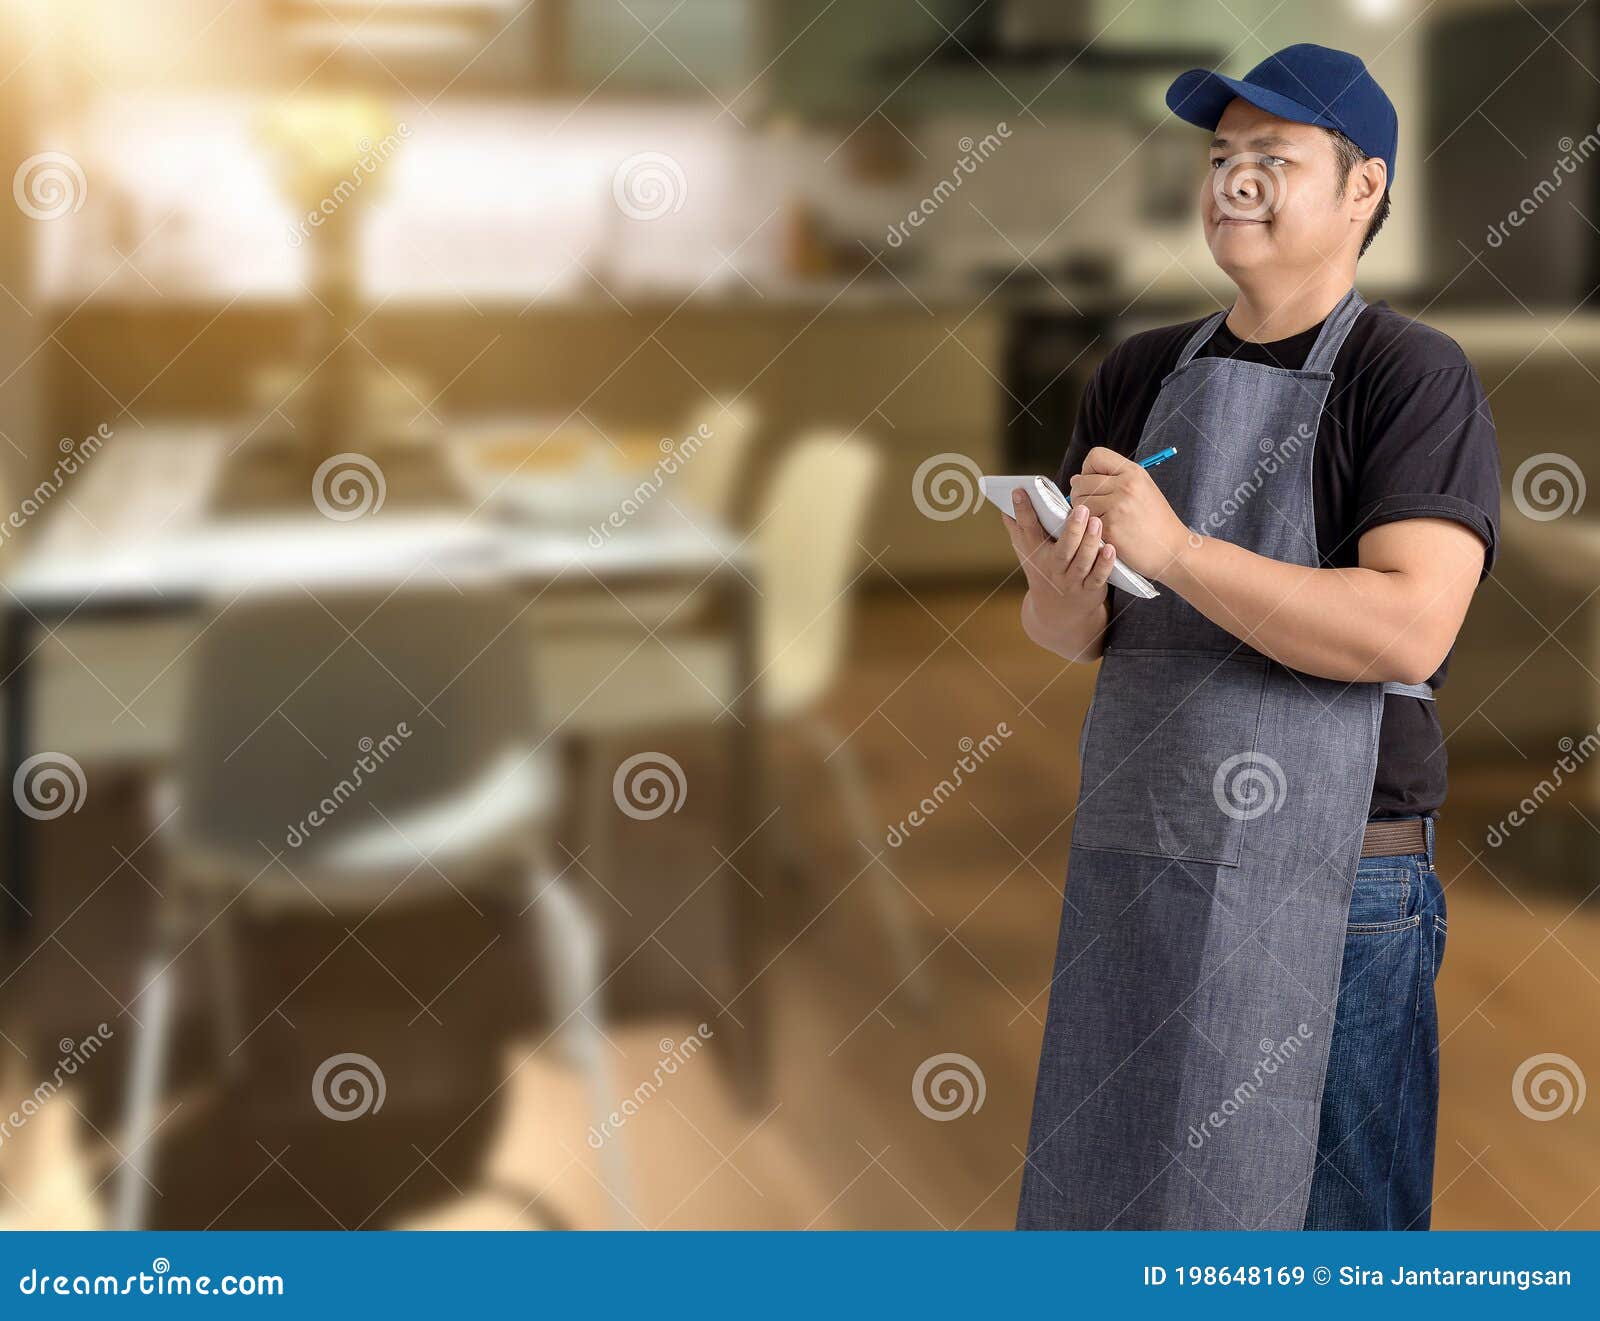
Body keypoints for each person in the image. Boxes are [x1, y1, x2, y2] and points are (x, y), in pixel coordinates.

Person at [1003, 43, 1500, 1230]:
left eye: (1271, 160)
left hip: (1338, 881)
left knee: (1332, 1238)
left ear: (1363, 188)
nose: (1232, 180)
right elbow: (1073, 635)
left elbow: (1407, 627)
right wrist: (1060, 587)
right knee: (1116, 1198)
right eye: (1220, 157)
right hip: (1145, 851)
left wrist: (1176, 554)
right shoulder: (1136, 371)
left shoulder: (1411, 377)